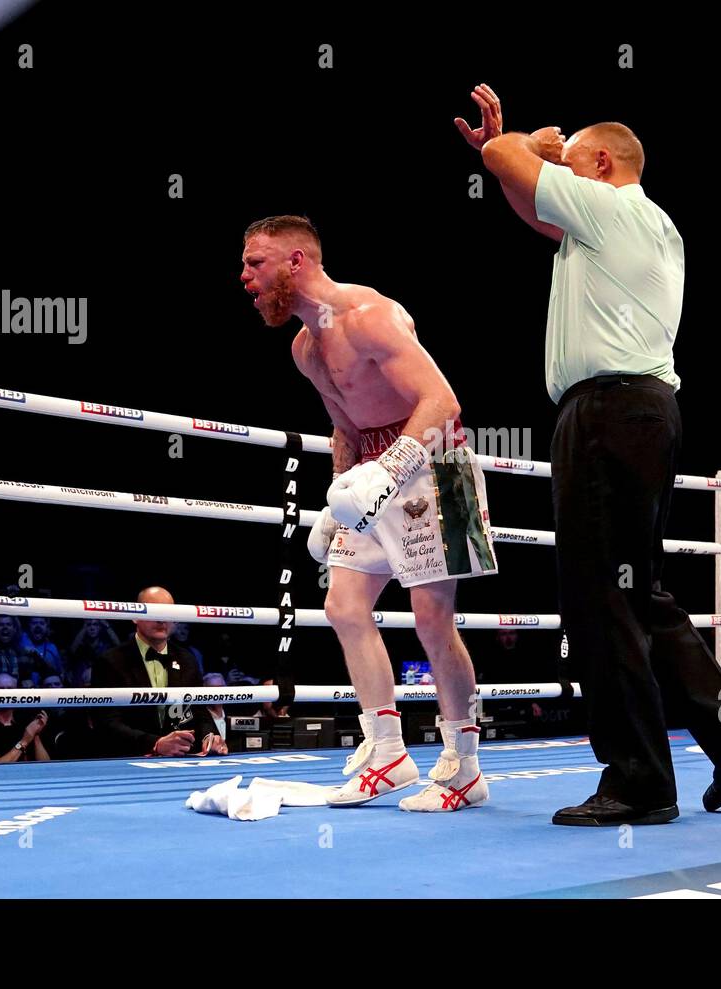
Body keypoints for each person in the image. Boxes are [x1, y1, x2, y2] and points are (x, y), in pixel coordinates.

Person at [468, 85, 721, 826]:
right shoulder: (635, 224)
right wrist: (507, 159)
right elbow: (528, 202)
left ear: (600, 163)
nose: (560, 173)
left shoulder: (610, 208)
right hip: (638, 410)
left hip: (610, 410)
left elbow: (518, 166)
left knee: (600, 597)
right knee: (637, 591)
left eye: (573, 162)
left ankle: (640, 777)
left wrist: (524, 145)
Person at [241, 214, 499, 812]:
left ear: (296, 261)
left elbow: (443, 401)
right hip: (372, 474)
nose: (246, 277)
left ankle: (465, 765)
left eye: (256, 262)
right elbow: (346, 423)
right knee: (342, 606)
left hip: (437, 464)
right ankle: (387, 750)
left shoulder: (370, 315)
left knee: (432, 621)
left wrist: (390, 469)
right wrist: (336, 500)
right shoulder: (305, 348)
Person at [89, 587, 226, 758]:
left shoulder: (186, 659)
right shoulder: (110, 661)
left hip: (179, 760)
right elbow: (106, 722)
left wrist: (209, 737)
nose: (162, 619)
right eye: (154, 611)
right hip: (129, 759)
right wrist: (155, 743)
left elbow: (198, 710)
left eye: (167, 612)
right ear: (135, 616)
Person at [0, 674, 50, 763]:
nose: (6, 693)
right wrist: (25, 741)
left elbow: (46, 765)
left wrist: (35, 735)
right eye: (0, 689)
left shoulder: (24, 721)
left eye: (10, 689)